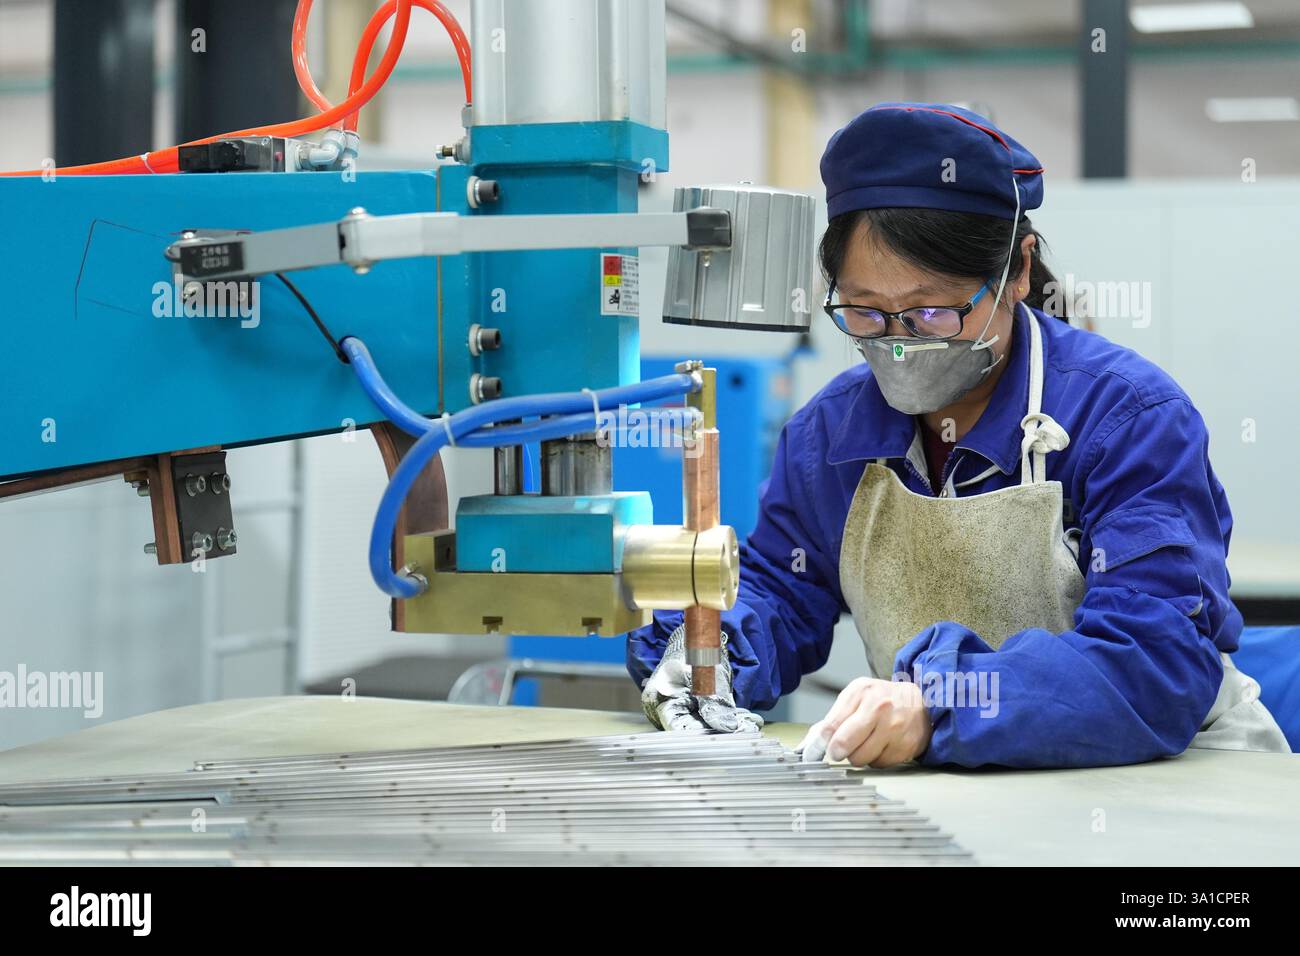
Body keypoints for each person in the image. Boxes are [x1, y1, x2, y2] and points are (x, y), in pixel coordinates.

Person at [628, 102, 1291, 768]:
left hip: (1168, 775)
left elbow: (1152, 662)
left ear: (1019, 271)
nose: (896, 345)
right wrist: (707, 653)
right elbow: (778, 590)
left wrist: (944, 702)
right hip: (953, 775)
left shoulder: (1128, 419)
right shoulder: (830, 436)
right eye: (864, 312)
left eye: (932, 312)